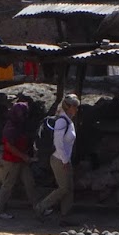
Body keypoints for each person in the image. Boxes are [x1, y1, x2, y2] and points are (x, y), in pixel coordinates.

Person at [35, 94, 80, 223]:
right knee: (63, 188)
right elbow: (58, 143)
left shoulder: (68, 120)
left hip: (65, 159)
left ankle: (66, 216)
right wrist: (64, 161)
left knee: (69, 188)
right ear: (68, 107)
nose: (76, 109)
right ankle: (41, 207)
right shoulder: (62, 121)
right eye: (75, 107)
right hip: (59, 159)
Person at [0, 99, 39, 219]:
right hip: (11, 160)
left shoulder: (21, 125)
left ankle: (38, 208)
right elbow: (9, 146)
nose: (24, 116)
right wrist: (24, 156)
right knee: (7, 185)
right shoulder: (10, 127)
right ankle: (0, 211)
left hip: (21, 160)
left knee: (30, 183)